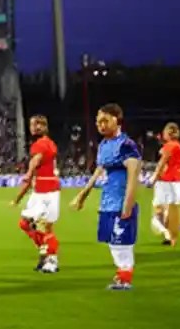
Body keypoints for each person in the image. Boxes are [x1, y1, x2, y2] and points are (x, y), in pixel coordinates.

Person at [72, 104, 140, 290]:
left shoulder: (126, 145)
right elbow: (99, 171)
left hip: (120, 201)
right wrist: (83, 195)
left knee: (122, 241)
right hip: (107, 201)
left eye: (105, 121)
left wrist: (128, 203)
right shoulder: (103, 145)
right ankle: (121, 274)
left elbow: (134, 174)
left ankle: (125, 278)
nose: (101, 125)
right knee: (111, 240)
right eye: (98, 121)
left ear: (117, 120)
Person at [11, 115, 61, 272]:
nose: (35, 127)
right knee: (25, 223)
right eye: (33, 124)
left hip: (47, 191)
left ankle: (51, 261)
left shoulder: (40, 145)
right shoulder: (49, 144)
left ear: (45, 127)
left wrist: (28, 173)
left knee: (45, 227)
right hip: (41, 190)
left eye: (39, 124)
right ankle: (45, 252)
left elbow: (35, 163)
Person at [147, 122, 180, 246]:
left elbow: (162, 163)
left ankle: (166, 233)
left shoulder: (169, 146)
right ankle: (173, 235)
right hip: (178, 182)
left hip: (166, 182)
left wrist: (152, 179)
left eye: (164, 132)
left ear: (168, 133)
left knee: (157, 212)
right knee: (172, 209)